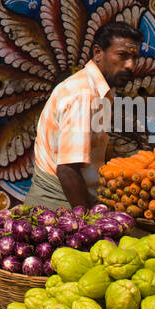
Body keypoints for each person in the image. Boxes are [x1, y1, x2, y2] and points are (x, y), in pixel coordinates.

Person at [28, 21, 141, 210]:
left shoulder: (96, 90)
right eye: (122, 56)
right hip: (59, 206)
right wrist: (88, 223)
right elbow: (67, 169)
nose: (130, 65)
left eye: (134, 58)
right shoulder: (84, 95)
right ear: (98, 53)